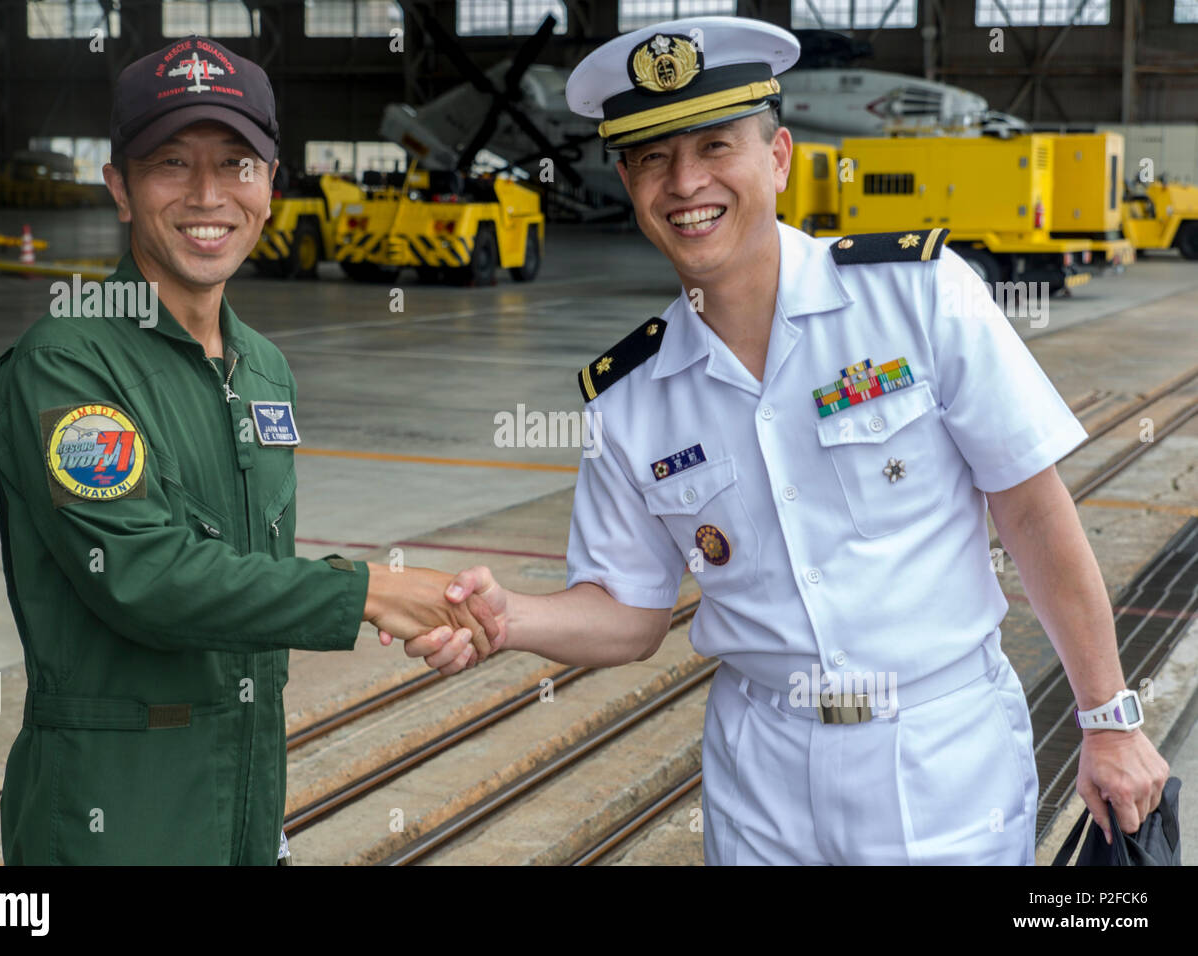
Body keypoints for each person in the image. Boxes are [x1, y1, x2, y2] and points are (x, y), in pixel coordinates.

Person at [396, 15, 1170, 864]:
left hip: (940, 756)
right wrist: (515, 621)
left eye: (715, 146)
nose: (685, 183)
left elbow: (1031, 512)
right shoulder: (631, 398)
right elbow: (629, 613)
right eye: (653, 157)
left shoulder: (916, 296)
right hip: (760, 775)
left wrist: (1108, 720)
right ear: (626, 179)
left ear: (778, 157)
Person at [0, 36, 498, 865]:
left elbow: (245, 571)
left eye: (236, 164)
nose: (207, 195)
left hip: (246, 805)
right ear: (119, 187)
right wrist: (368, 590)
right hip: (115, 819)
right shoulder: (68, 363)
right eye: (170, 164)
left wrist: (395, 607)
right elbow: (147, 577)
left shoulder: (263, 368)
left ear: (271, 186)